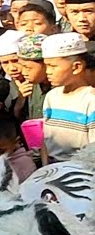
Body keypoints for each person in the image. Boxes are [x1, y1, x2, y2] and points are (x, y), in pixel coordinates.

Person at [40, 33, 95, 165]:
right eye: (46, 66)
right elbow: (46, 139)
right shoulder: (51, 97)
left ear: (76, 67)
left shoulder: (90, 100)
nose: (48, 71)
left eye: (53, 66)